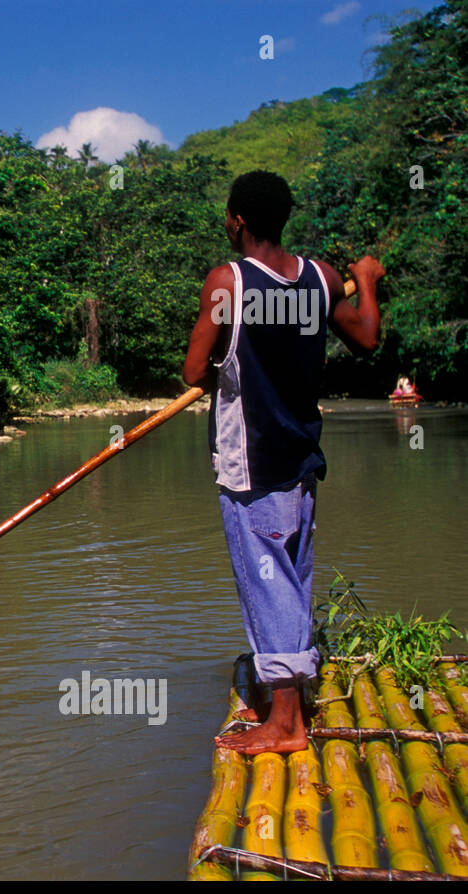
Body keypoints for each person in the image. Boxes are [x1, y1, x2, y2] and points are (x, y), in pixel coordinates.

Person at [182, 170, 383, 756]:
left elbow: (195, 372)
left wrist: (223, 347)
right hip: (301, 458)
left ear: (238, 221)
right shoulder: (321, 279)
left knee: (268, 584)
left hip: (253, 465)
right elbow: (367, 338)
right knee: (289, 576)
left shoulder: (228, 283)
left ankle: (286, 725)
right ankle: (287, 697)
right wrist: (365, 281)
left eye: (227, 216)